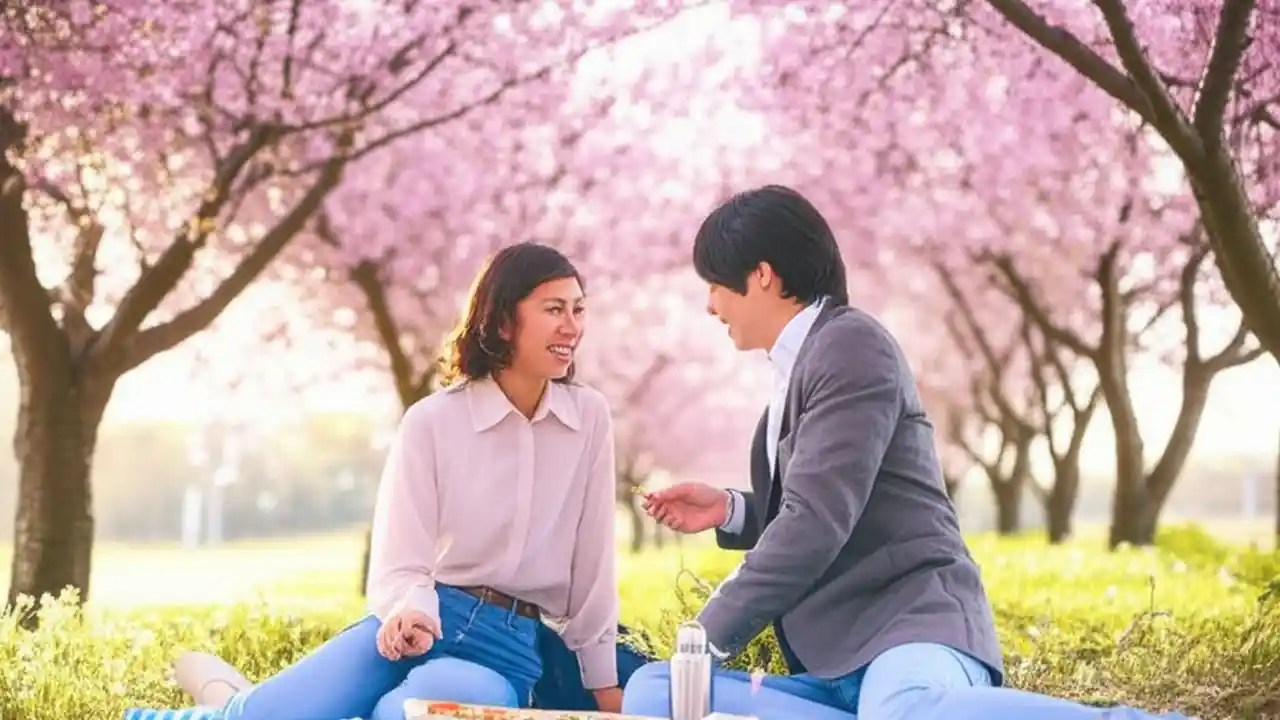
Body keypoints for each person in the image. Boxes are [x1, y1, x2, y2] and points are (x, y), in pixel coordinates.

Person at [620, 185, 1191, 720]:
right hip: (834, 663)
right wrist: (732, 510)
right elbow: (823, 500)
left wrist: (706, 638)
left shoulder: (850, 345)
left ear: (763, 275)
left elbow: (815, 524)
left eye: (715, 285)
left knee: (900, 709)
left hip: (911, 631)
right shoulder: (793, 379)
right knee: (654, 692)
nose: (710, 305)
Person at [156, 242, 626, 720]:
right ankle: (217, 692)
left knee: (414, 712)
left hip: (508, 645)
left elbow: (594, 569)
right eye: (554, 309)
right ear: (504, 321)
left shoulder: (588, 418)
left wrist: (603, 685)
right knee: (255, 718)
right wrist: (412, 610)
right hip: (419, 620)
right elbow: (401, 559)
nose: (572, 325)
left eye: (578, 309)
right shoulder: (433, 422)